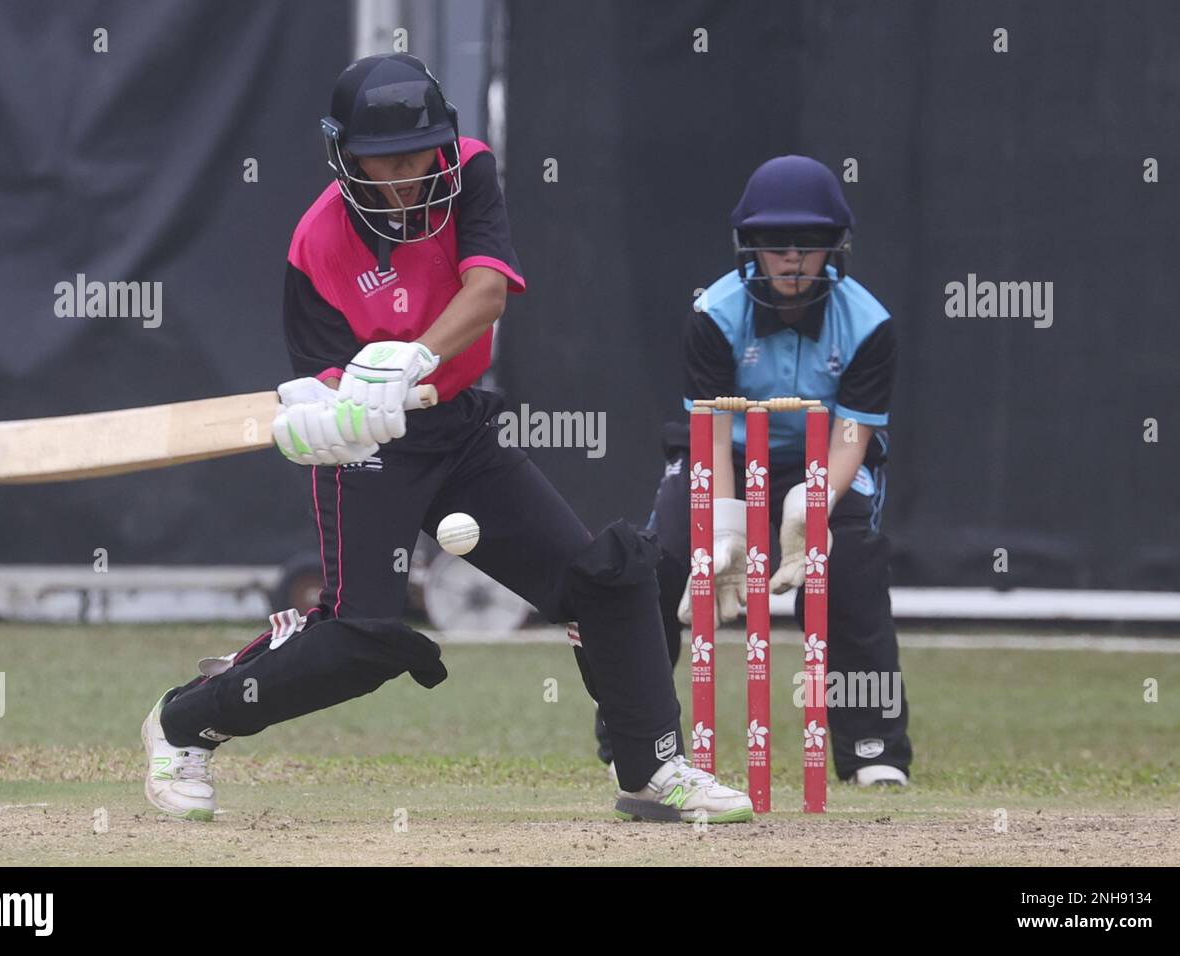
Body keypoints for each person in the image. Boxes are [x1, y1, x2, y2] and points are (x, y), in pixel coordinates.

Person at [140, 53, 753, 824]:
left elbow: (487, 290)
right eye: (386, 160)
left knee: (606, 575)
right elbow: (319, 385)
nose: (408, 176)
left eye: (419, 154)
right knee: (358, 638)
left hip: (459, 428)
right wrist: (331, 413)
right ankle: (182, 722)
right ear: (346, 156)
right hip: (368, 447)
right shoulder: (315, 245)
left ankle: (652, 771)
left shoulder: (469, 173)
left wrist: (415, 358)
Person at [595, 155, 913, 787]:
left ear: (834, 246)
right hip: (728, 455)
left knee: (849, 567)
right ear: (752, 246)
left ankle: (873, 748)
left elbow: (855, 434)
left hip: (827, 460)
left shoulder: (870, 324)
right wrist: (730, 526)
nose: (792, 258)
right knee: (661, 564)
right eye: (775, 243)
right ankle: (635, 743)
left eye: (809, 242)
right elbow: (709, 431)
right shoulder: (714, 315)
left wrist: (810, 502)